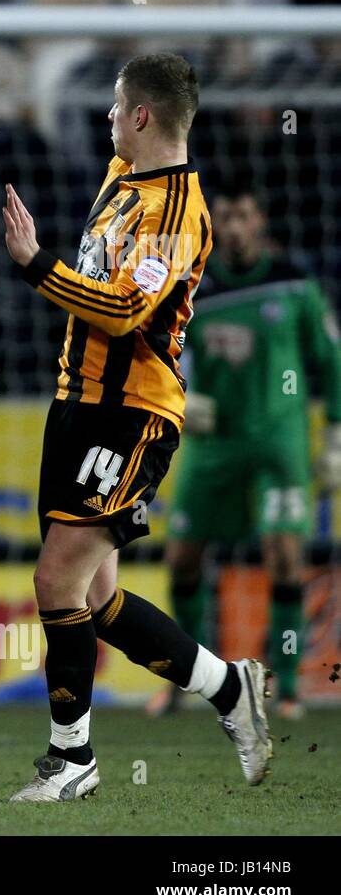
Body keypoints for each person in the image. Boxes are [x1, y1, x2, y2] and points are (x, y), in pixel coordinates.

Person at [2, 52, 269, 802]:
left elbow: (124, 308)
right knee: (95, 599)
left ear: (143, 114)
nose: (110, 118)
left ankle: (72, 759)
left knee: (55, 578)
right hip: (78, 401)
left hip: (133, 416)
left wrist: (32, 265)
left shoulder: (180, 211)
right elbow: (96, 281)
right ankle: (230, 688)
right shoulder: (120, 179)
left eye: (118, 107)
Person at [153, 189, 341, 721]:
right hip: (214, 448)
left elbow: (332, 361)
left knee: (285, 558)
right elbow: (163, 356)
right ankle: (187, 685)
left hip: (279, 446)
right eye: (226, 216)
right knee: (183, 559)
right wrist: (185, 398)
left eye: (243, 215)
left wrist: (334, 438)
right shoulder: (193, 289)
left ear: (259, 221)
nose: (233, 226)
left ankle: (285, 691)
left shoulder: (294, 284)